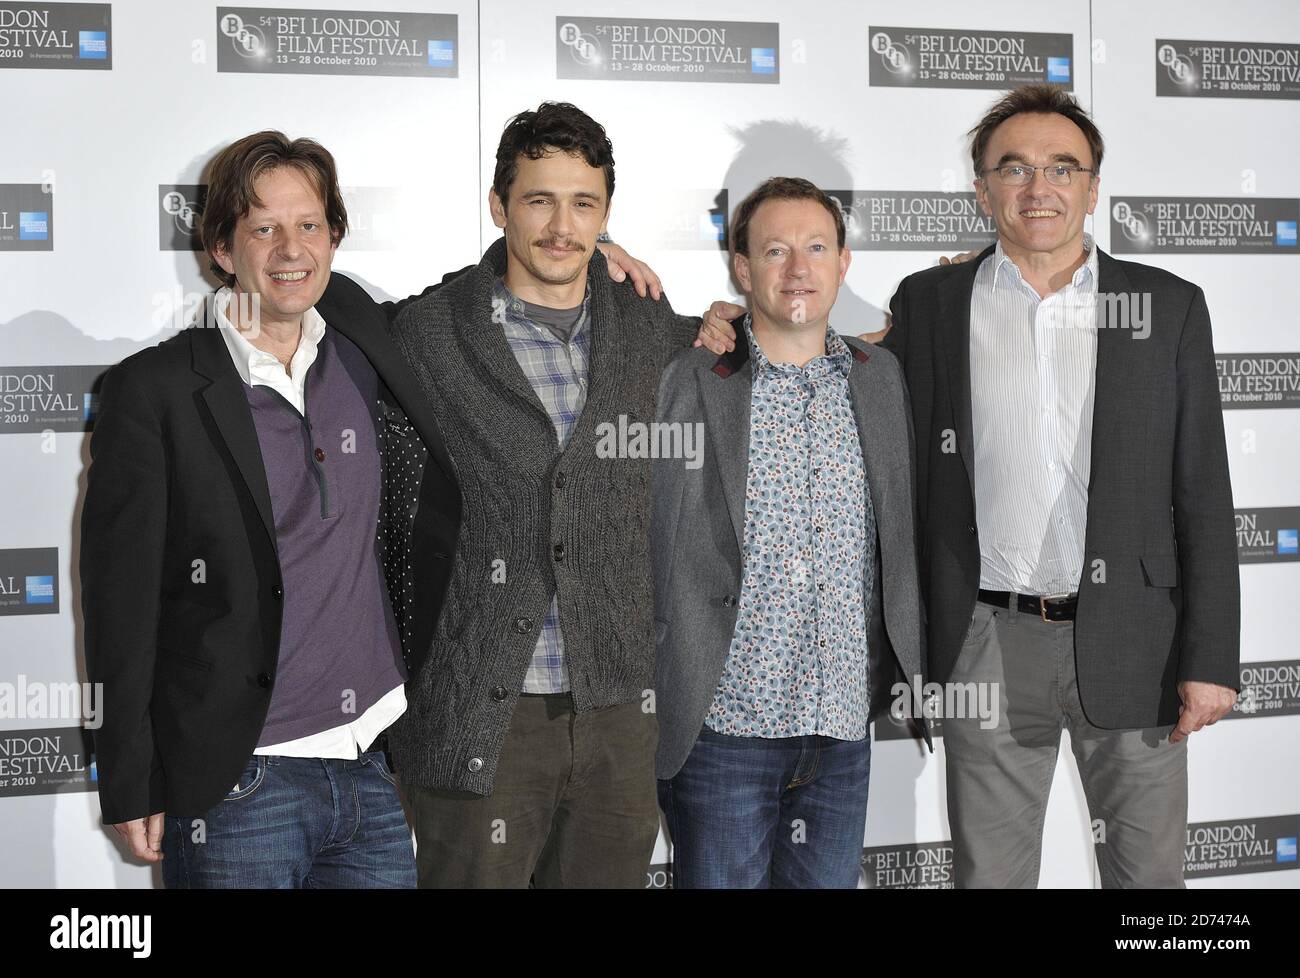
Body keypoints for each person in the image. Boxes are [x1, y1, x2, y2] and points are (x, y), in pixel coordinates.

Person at [81, 129, 664, 888]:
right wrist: (130, 777)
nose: (291, 250)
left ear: (334, 238)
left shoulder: (362, 338)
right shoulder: (152, 393)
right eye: (263, 228)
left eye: (309, 226)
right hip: (240, 781)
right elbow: (119, 605)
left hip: (370, 767)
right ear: (222, 248)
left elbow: (497, 288)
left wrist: (591, 242)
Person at [881, 85, 1239, 887]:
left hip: (1139, 643)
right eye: (1013, 168)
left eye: (1061, 168)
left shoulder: (1167, 306)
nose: (1037, 188)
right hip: (984, 644)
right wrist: (720, 323)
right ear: (982, 189)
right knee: (991, 877)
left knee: (1149, 883)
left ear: (1092, 186)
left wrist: (1211, 657)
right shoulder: (930, 304)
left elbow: (1205, 497)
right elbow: (844, 375)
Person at [386, 101, 735, 888]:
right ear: (498, 204)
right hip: (481, 710)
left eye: (585, 205)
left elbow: (767, 340)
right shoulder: (427, 335)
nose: (561, 226)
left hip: (618, 714)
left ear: (607, 217)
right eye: (539, 199)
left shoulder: (651, 331)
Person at [652, 177, 925, 888]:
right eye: (775, 250)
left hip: (840, 727)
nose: (798, 270)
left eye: (816, 248)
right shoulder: (688, 376)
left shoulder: (880, 378)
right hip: (725, 729)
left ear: (843, 263)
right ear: (741, 268)